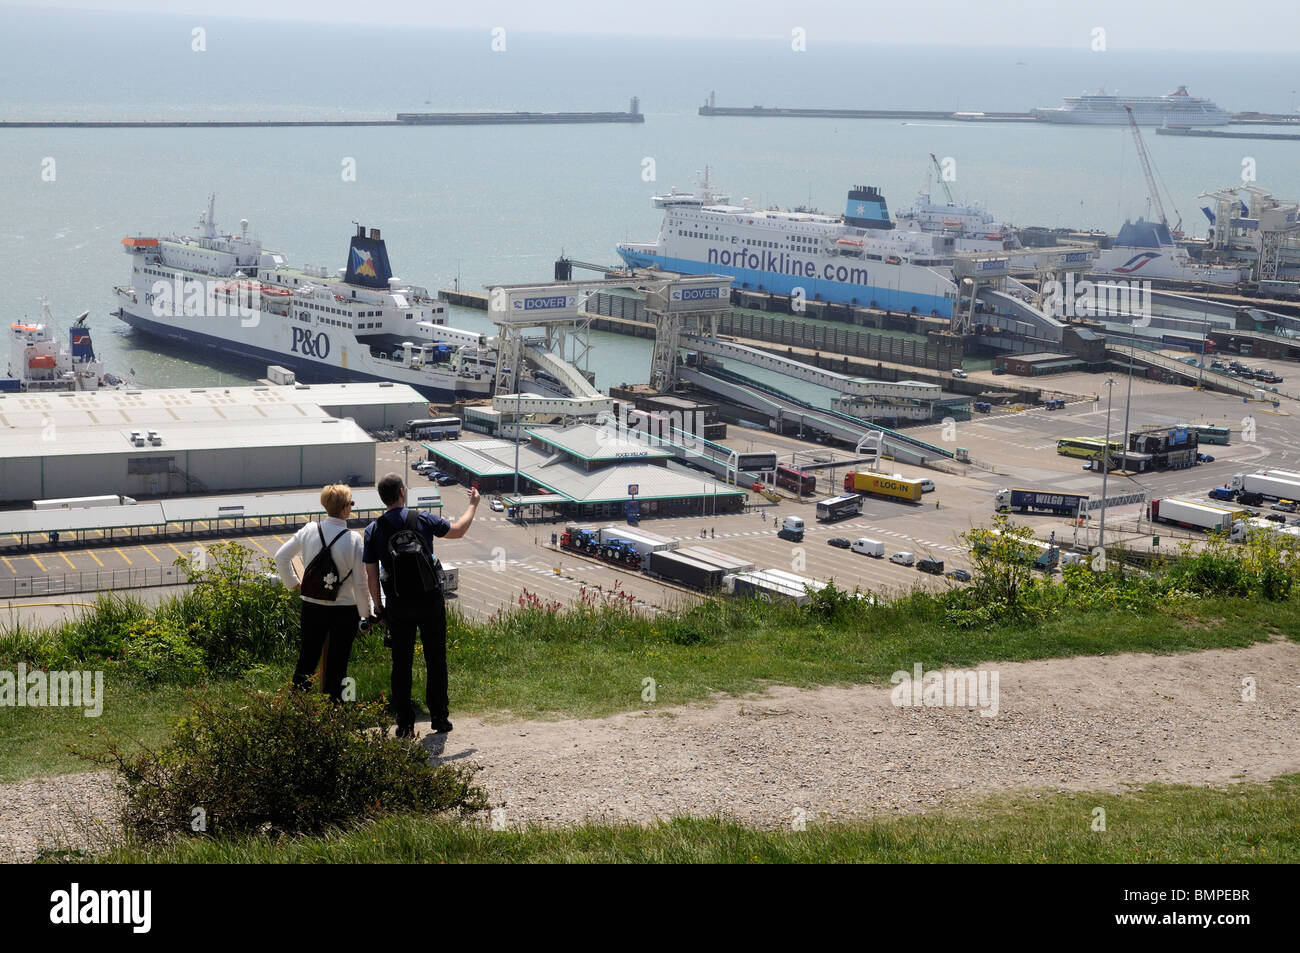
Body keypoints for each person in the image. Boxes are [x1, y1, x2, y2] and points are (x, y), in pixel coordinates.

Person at [365, 472, 479, 738]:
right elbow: (459, 530)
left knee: (401, 663)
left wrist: (379, 610)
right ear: (403, 492)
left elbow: (371, 575)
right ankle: (439, 717)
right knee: (436, 659)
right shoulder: (422, 519)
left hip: (398, 603)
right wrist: (473, 504)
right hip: (429, 599)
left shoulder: (373, 530)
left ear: (382, 499)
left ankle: (405, 722)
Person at [274, 484, 369, 703]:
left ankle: (298, 708)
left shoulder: (309, 530)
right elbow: (360, 584)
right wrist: (366, 614)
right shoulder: (354, 539)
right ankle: (335, 713)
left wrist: (295, 584)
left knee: (306, 660)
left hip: (312, 604)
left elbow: (281, 557)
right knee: (338, 664)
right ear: (345, 507)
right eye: (351, 503)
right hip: (345, 609)